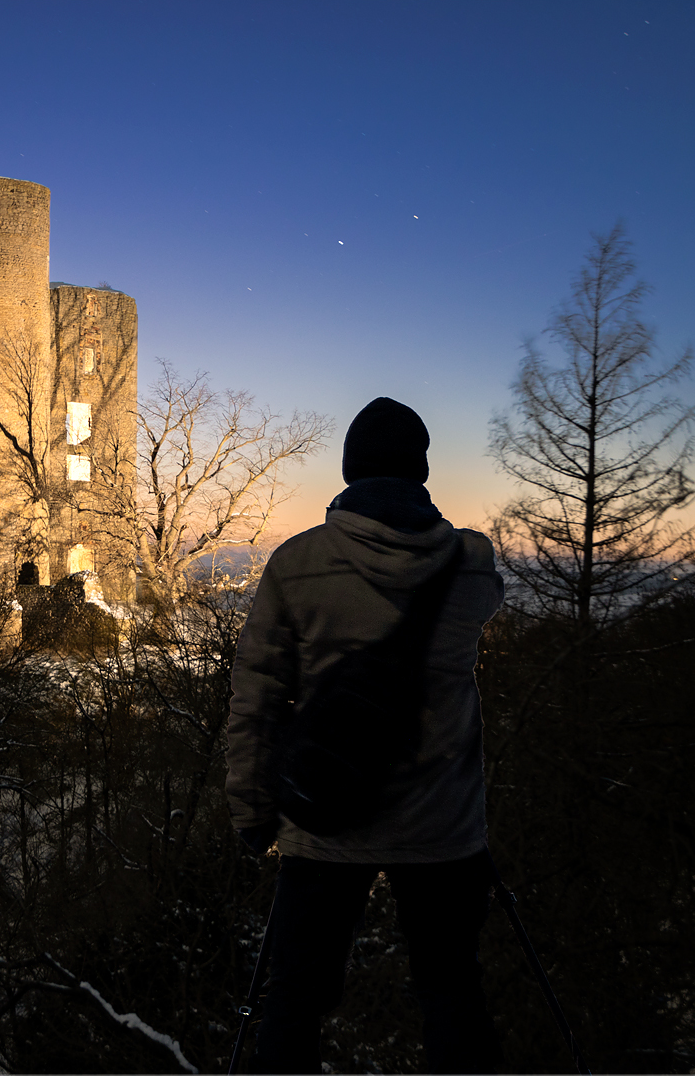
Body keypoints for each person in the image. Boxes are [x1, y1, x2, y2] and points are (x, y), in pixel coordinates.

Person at [226, 396, 506, 1074]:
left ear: (351, 469)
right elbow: (489, 600)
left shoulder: (296, 563)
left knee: (294, 1000)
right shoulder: (470, 563)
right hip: (445, 825)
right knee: (452, 993)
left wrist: (252, 813)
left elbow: (257, 696)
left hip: (325, 815)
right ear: (421, 470)